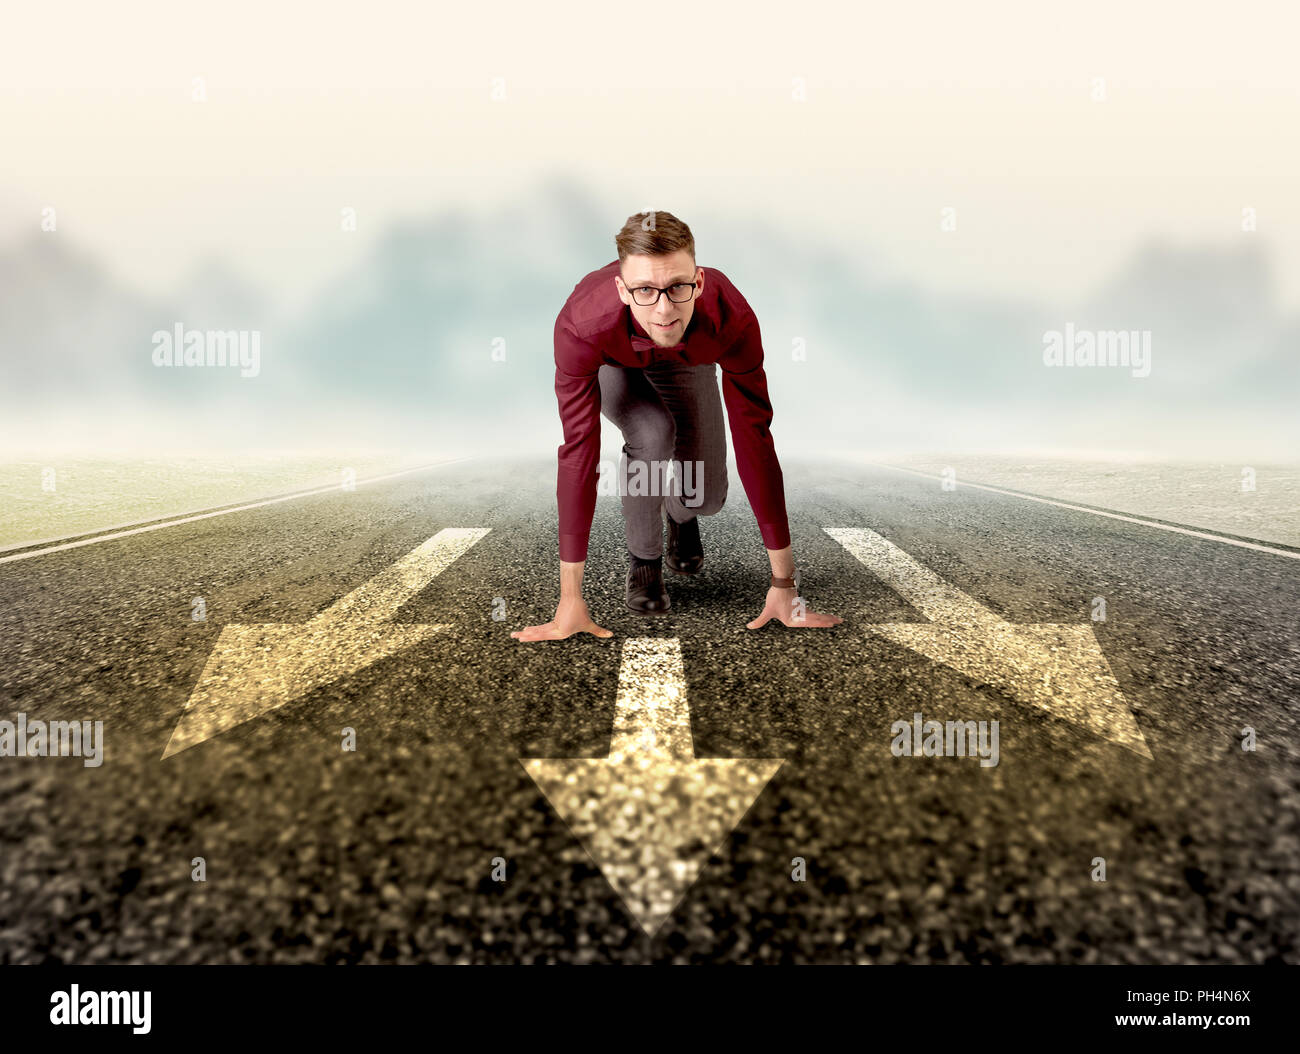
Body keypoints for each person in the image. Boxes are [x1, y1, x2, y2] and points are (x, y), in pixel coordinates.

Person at [511, 210, 842, 642]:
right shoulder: (582, 325)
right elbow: (579, 452)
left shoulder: (731, 319)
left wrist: (785, 586)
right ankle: (644, 562)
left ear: (699, 282)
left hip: (690, 361)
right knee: (652, 434)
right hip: (618, 365)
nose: (664, 309)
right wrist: (569, 597)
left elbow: (755, 439)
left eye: (678, 288)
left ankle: (680, 514)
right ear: (622, 290)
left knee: (706, 495)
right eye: (645, 289)